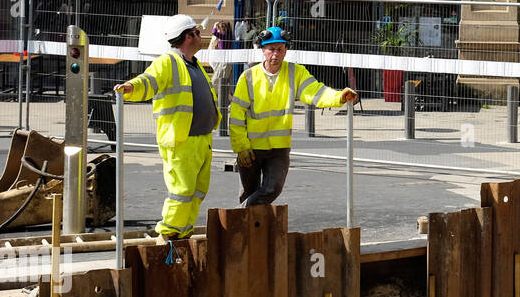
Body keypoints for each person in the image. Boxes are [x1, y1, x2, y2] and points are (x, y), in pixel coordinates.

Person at [230, 26, 358, 207]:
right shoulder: (248, 77)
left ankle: (237, 216)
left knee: (271, 189)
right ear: (263, 50)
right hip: (251, 148)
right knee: (249, 192)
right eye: (271, 49)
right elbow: (236, 115)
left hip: (279, 149)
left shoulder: (295, 72)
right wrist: (241, 147)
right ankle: (249, 230)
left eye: (280, 49)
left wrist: (339, 97)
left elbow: (316, 92)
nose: (275, 54)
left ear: (286, 50)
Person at [115, 14, 218, 238]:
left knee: (198, 191)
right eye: (197, 33)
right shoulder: (168, 62)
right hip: (181, 141)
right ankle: (169, 234)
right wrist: (131, 88)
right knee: (182, 191)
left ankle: (184, 231)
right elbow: (149, 80)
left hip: (201, 139)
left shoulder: (194, 64)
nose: (201, 36)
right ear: (188, 36)